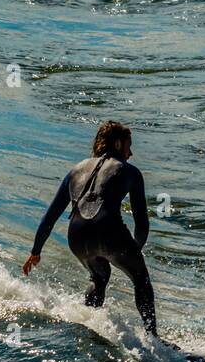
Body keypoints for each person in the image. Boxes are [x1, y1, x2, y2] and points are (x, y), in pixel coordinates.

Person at [22, 120, 159, 336]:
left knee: (99, 278)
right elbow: (142, 224)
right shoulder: (130, 171)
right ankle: (154, 340)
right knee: (140, 278)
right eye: (128, 145)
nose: (130, 153)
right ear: (116, 144)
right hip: (109, 233)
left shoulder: (75, 170)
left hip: (76, 237)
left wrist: (35, 251)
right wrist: (134, 252)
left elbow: (50, 217)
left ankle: (88, 327)